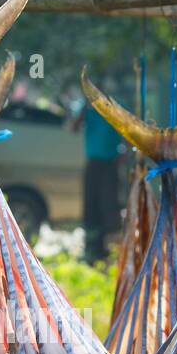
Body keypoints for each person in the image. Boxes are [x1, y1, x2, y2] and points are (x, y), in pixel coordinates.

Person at [78, 97, 123, 263]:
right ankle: (92, 247)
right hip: (93, 164)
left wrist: (121, 154)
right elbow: (74, 127)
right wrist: (83, 110)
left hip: (110, 165)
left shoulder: (113, 114)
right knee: (91, 204)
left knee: (109, 204)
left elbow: (124, 134)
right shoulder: (89, 114)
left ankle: (107, 249)